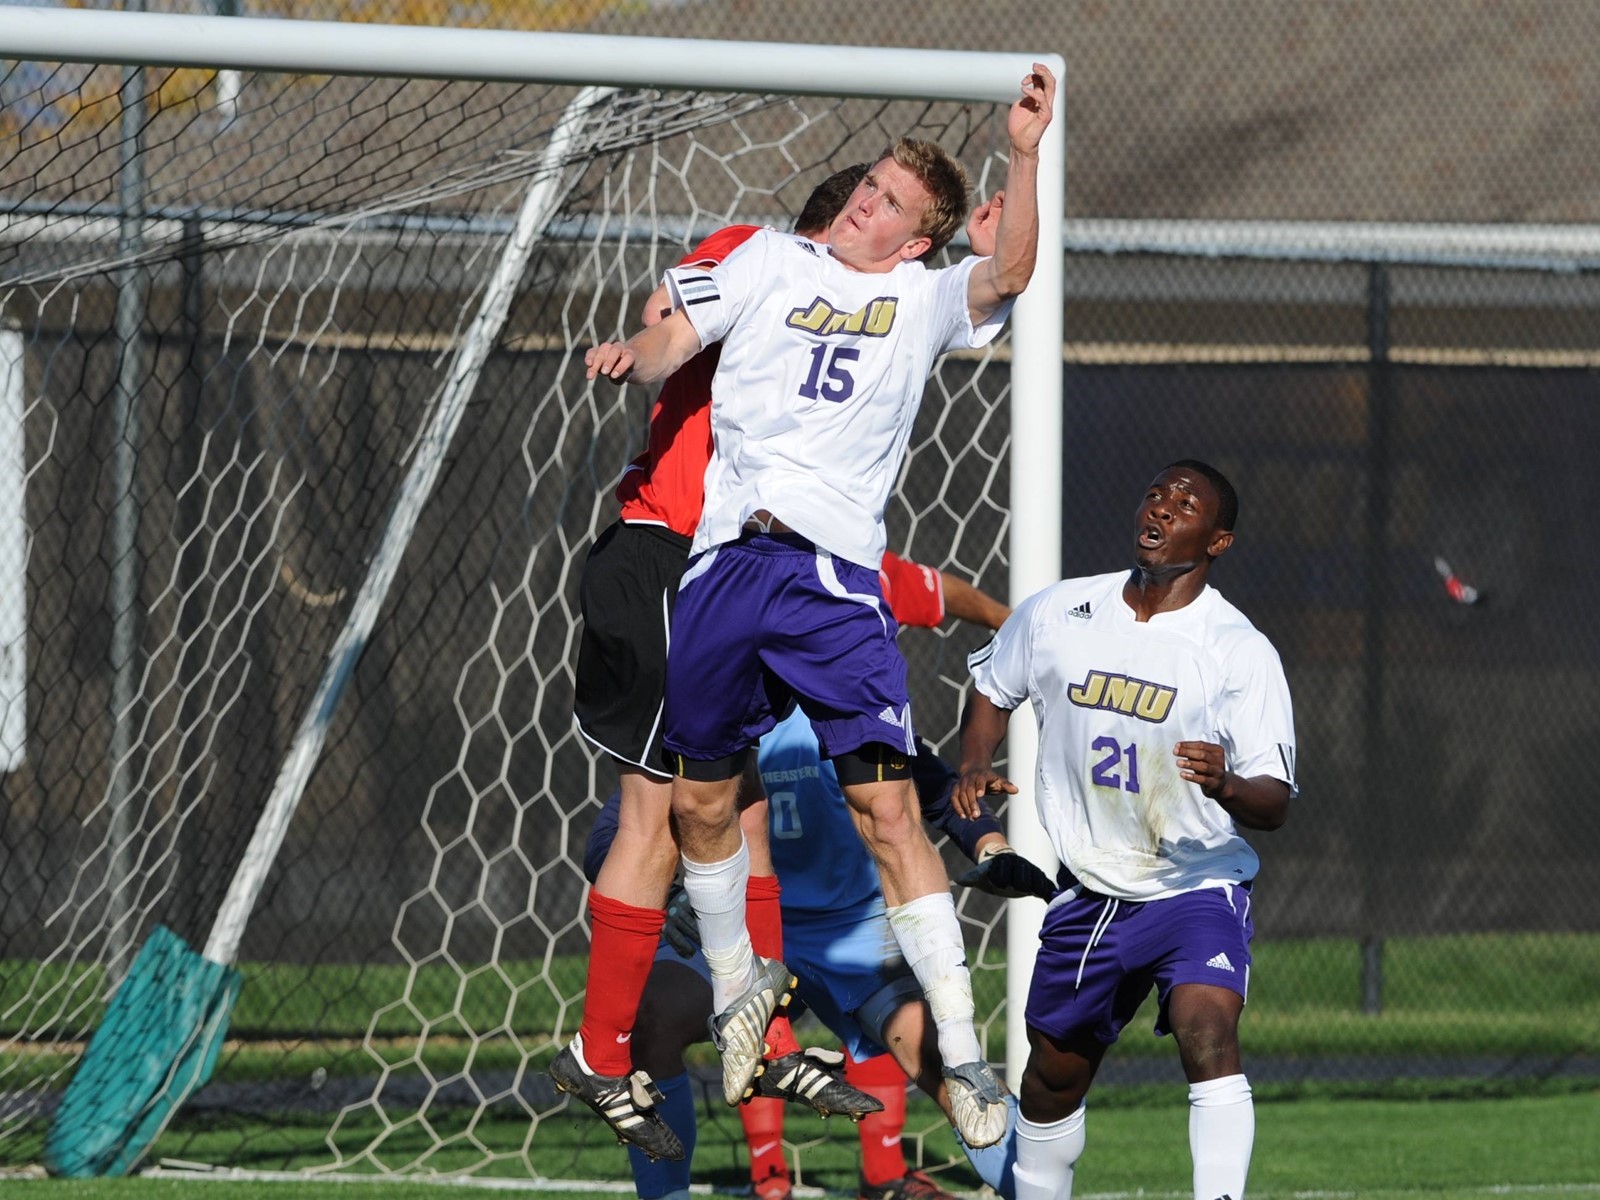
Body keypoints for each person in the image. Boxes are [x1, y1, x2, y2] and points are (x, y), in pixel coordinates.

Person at [583, 63, 1056, 1151]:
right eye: (870, 184)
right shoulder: (761, 259)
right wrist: (635, 355)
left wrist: (1024, 154)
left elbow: (1011, 270)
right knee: (703, 806)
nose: (865, 201)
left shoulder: (925, 297)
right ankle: (746, 999)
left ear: (917, 241)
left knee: (887, 811)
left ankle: (966, 1051)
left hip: (834, 581)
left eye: (891, 202)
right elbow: (672, 340)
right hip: (720, 571)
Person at [582, 555, 1052, 1200]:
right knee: (655, 1024)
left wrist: (992, 844)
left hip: (854, 932)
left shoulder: (848, 704)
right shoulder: (711, 720)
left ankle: (1034, 1192)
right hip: (745, 931)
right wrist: (669, 897)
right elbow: (613, 837)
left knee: (949, 1070)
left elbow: (937, 791)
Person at [953, 461, 1298, 1200]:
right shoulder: (1059, 611)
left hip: (1193, 883)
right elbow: (991, 686)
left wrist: (1228, 783)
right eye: (1156, 495)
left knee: (1208, 1032)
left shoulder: (1238, 650)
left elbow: (1274, 802)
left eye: (1186, 504)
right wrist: (977, 761)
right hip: (1092, 890)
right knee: (1050, 1082)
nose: (1162, 509)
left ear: (1219, 540)